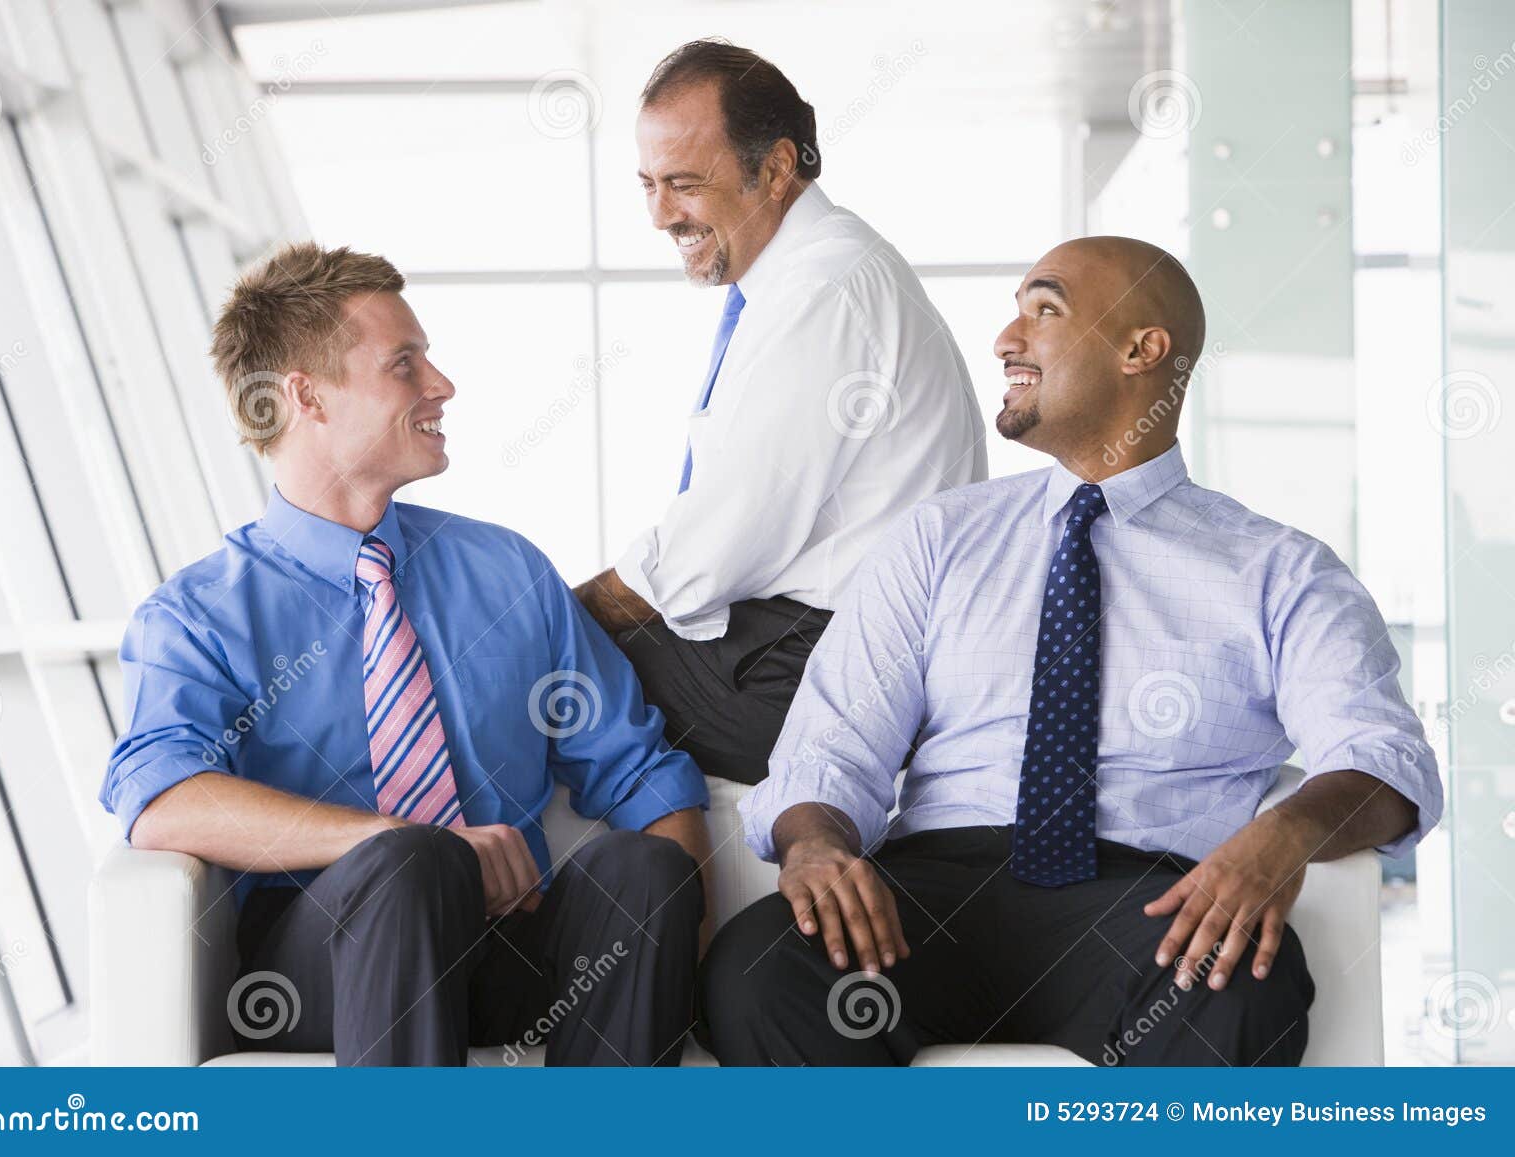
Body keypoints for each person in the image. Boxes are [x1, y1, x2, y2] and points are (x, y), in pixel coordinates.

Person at [699, 236, 1443, 1066]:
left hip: (1150, 905)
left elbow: (1383, 759)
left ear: (1141, 349)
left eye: (1043, 310)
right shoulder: (939, 539)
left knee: (1242, 982)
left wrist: (1286, 833)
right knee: (759, 967)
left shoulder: (1280, 570)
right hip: (934, 897)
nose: (1006, 340)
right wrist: (815, 843)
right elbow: (830, 750)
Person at [101, 242, 711, 1066]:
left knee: (644, 871)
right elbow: (162, 798)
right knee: (408, 863)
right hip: (325, 962)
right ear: (307, 395)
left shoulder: (504, 570)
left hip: (511, 946)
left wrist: (688, 943)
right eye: (405, 364)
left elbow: (640, 773)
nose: (442, 385)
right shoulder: (199, 612)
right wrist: (391, 838)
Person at [573, 40, 987, 786]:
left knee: (537, 668)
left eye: (685, 184)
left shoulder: (824, 291)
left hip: (817, 676)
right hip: (818, 647)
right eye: (649, 185)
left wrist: (565, 611)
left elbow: (713, 550)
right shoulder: (817, 270)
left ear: (775, 168)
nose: (661, 215)